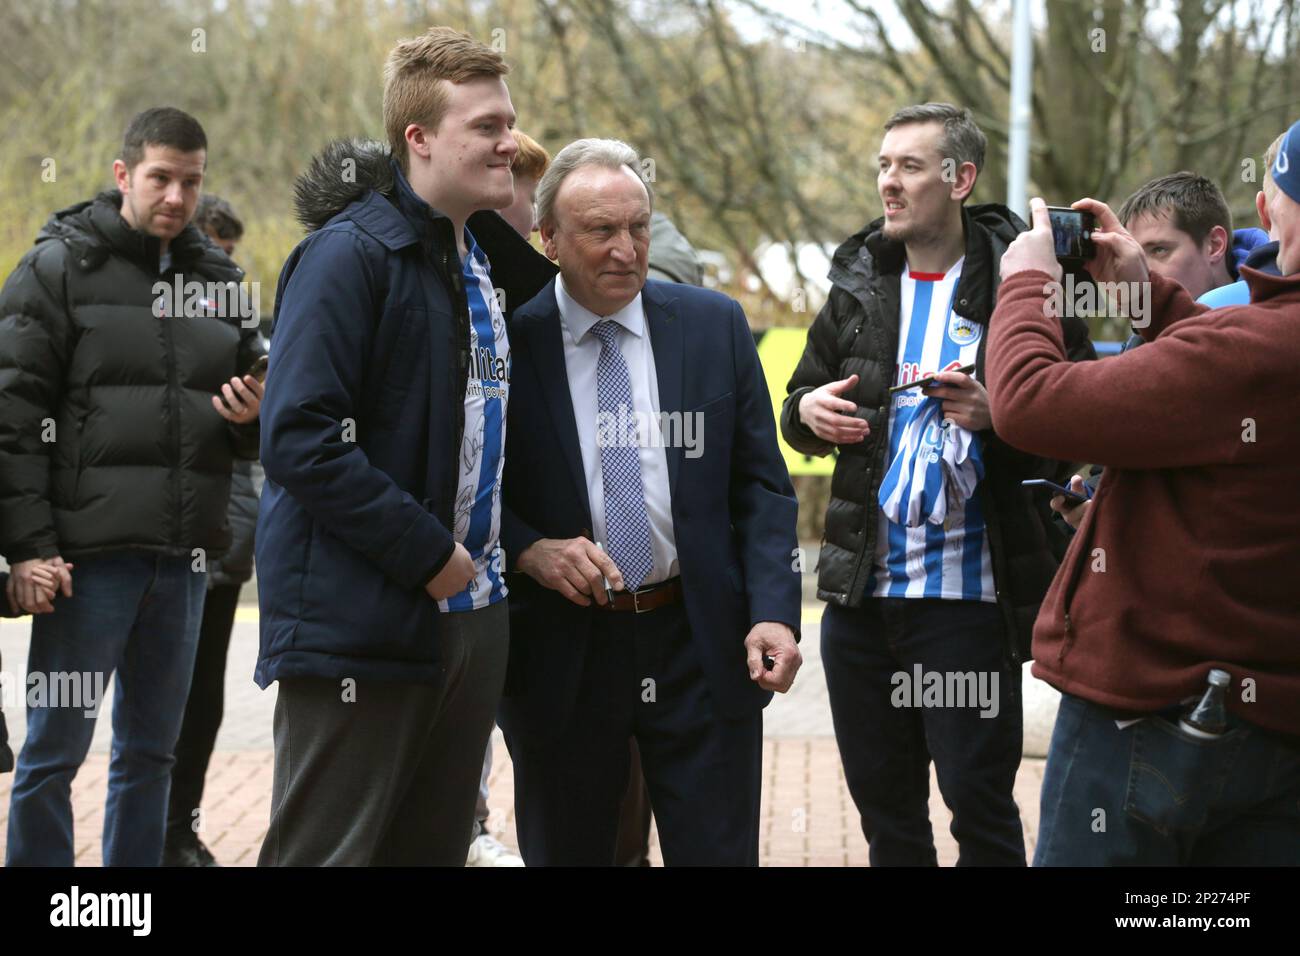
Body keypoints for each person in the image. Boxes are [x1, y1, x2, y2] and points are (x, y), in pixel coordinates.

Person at [780, 103, 1093, 866]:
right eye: (883, 165)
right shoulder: (857, 281)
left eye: (909, 167)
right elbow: (794, 412)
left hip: (966, 610)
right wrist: (808, 412)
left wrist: (1002, 415)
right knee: (889, 822)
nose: (889, 182)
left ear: (962, 179)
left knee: (981, 814)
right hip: (860, 606)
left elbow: (1083, 429)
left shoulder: (1030, 281)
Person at [985, 118, 1300, 865]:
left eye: (1277, 198)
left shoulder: (1260, 347)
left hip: (1157, 715)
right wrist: (1152, 302)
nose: (1265, 213)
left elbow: (1029, 401)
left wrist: (1027, 282)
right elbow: (1228, 381)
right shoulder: (1257, 346)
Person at [498, 137, 803, 866]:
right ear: (550, 239)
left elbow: (760, 485)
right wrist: (527, 548)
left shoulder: (711, 324)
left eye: (638, 226)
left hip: (699, 644)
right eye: (601, 231)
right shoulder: (509, 341)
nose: (626, 249)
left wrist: (771, 610)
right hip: (567, 652)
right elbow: (473, 485)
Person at [254, 26, 518, 866]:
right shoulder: (348, 256)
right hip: (363, 624)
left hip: (472, 619)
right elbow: (299, 438)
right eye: (486, 126)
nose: (508, 140)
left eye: (508, 120)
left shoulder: (477, 259)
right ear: (420, 138)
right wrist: (427, 555)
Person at [0, 106, 265, 866]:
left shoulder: (219, 278)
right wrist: (28, 549)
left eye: (191, 182)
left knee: (152, 756)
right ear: (124, 175)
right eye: (161, 178)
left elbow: (253, 406)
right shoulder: (56, 268)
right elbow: (14, 420)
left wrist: (251, 417)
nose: (177, 198)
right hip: (87, 562)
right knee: (54, 753)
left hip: (182, 561)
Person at [163, 194, 265, 867]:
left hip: (220, 543)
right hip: (150, 541)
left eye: (229, 258)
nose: (221, 270)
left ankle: (178, 831)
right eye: (213, 254)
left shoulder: (238, 317)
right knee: (149, 709)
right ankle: (145, 835)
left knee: (201, 706)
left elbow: (259, 439)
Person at [465, 128, 549, 869]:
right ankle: (470, 825)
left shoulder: (523, 291)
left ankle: (473, 823)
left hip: (502, 571)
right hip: (454, 568)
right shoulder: (460, 279)